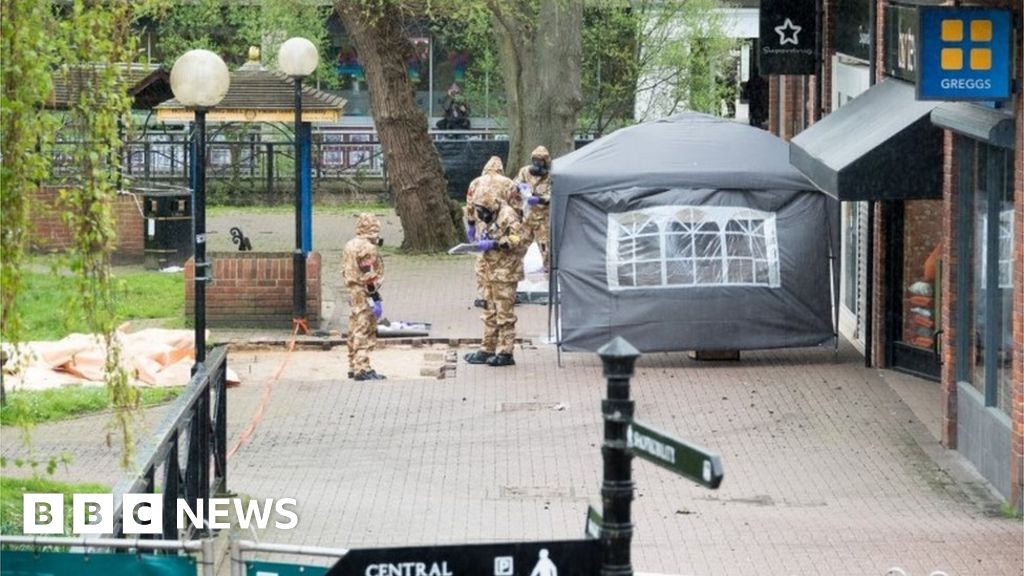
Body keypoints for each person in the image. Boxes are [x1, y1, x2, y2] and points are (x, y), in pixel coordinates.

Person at [463, 186, 525, 367]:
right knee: (489, 310)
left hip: (506, 271)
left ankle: (506, 352)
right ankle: (487, 348)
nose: (481, 216)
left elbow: (517, 239)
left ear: (492, 208)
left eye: (483, 212)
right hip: (490, 270)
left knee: (504, 313)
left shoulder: (508, 215)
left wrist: (496, 244)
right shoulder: (486, 214)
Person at [464, 156, 521, 308]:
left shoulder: (476, 182)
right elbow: (516, 205)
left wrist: (471, 224)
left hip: (482, 220)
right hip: (501, 220)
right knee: (503, 256)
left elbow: (470, 204)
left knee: (482, 257)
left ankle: (485, 294)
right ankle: (505, 292)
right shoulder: (508, 182)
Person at [342, 213, 387, 381]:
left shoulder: (350, 245)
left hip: (353, 290)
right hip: (363, 291)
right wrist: (375, 298)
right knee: (364, 328)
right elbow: (369, 274)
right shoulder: (367, 248)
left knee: (353, 328)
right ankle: (362, 367)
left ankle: (352, 365)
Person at [513, 146, 552, 273]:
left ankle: (548, 271)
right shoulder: (525, 171)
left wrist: (539, 199)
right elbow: (515, 184)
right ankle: (514, 269)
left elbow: (553, 196)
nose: (536, 163)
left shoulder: (551, 175)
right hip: (527, 217)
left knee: (546, 247)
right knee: (519, 243)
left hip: (543, 219)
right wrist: (519, 187)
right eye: (534, 160)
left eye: (540, 161)